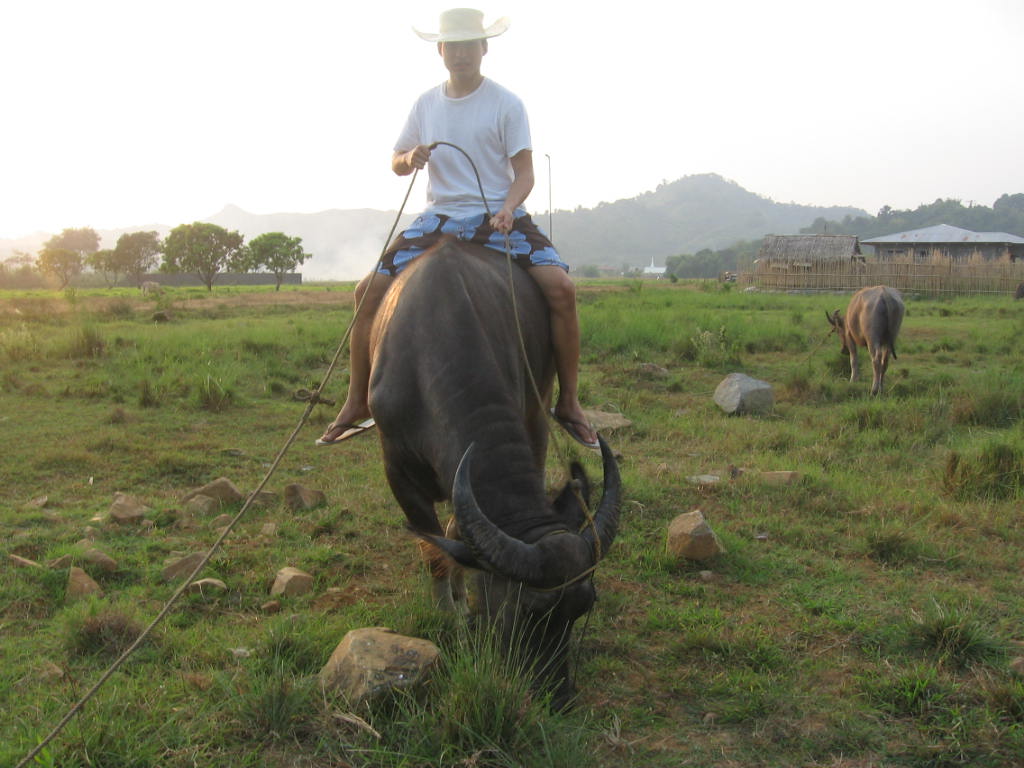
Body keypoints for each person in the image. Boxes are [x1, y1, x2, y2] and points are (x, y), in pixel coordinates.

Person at [318, 7, 598, 449]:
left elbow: (524, 173)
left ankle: (570, 403)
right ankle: (358, 402)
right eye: (454, 46)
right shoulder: (426, 104)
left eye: (471, 45)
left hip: (495, 217)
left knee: (561, 288)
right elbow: (395, 161)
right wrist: (409, 160)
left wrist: (508, 207)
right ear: (441, 50)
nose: (462, 54)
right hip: (438, 218)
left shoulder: (507, 103)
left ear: (484, 48)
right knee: (365, 292)